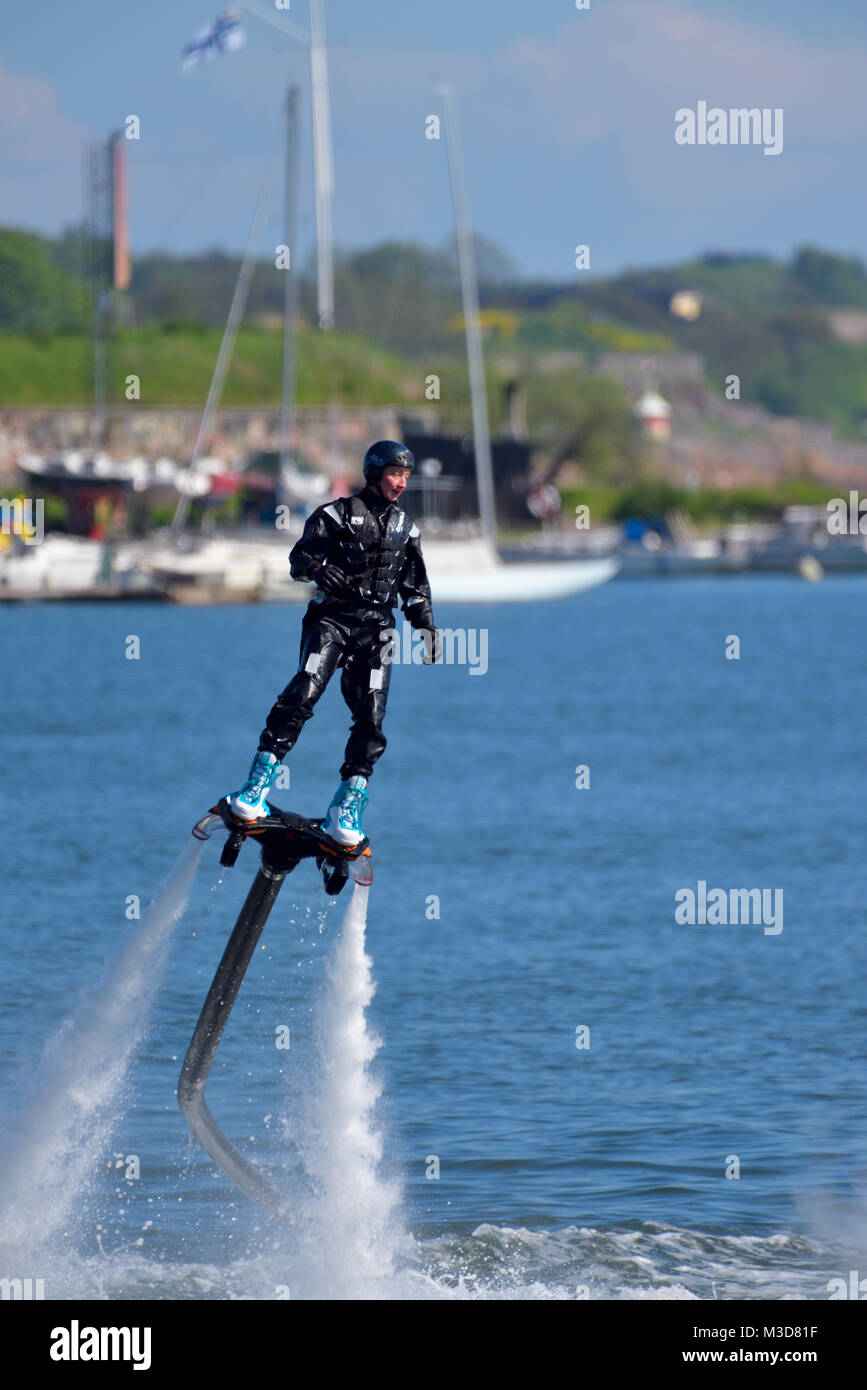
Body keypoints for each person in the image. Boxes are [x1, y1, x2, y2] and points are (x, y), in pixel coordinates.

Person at [226, 440, 440, 845]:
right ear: (374, 473)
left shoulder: (406, 529)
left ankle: (348, 804)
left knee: (371, 715)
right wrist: (320, 570)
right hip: (332, 620)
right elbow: (298, 560)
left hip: (377, 628)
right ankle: (258, 782)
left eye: (406, 476)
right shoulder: (335, 515)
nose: (401, 484)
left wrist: (427, 628)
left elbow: (416, 588)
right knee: (305, 691)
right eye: (396, 474)